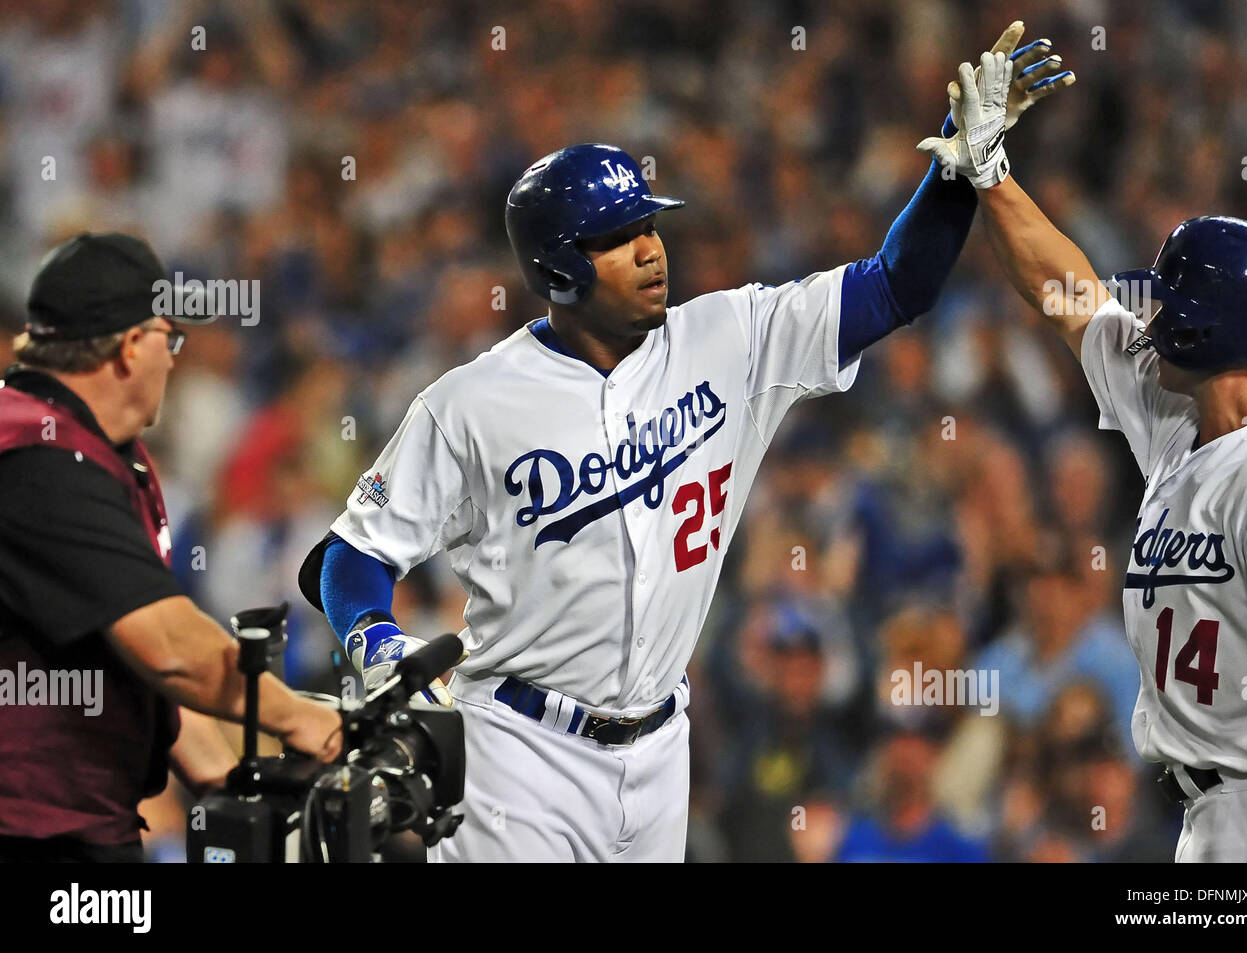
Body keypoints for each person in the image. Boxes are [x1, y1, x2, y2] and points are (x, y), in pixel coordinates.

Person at [300, 24, 1074, 862]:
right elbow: (348, 555)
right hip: (520, 749)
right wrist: (377, 641)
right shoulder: (471, 404)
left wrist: (957, 174)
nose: (650, 249)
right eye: (619, 237)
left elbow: (896, 286)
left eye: (650, 226)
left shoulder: (730, 336)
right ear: (560, 270)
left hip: (664, 748)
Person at [922, 55, 1247, 862]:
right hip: (1203, 817)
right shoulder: (1180, 414)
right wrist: (989, 171)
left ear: (1209, 330)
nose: (1149, 314)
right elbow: (1070, 297)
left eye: (1169, 303)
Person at [0, 233, 342, 863]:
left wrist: (230, 778)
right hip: (32, 834)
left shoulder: (90, 447)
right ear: (133, 346)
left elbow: (136, 660)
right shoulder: (39, 459)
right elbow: (170, 649)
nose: (175, 358)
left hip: (75, 821)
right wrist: (300, 717)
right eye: (170, 338)